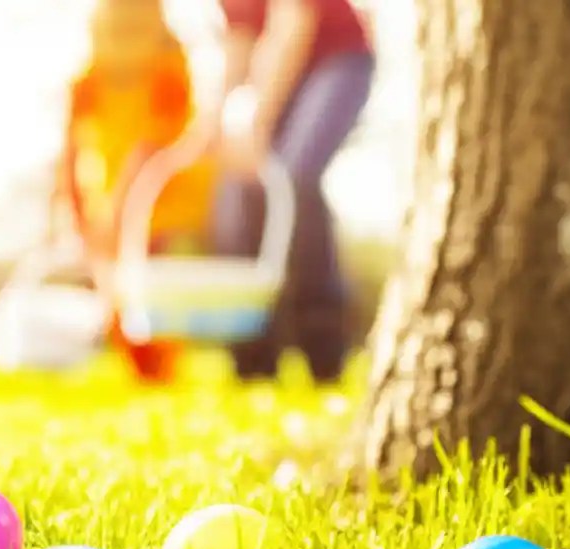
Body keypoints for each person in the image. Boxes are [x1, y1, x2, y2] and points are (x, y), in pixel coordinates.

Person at [188, 0, 374, 384]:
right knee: (238, 192)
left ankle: (324, 351)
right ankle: (253, 357)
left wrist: (258, 120)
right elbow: (240, 40)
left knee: (295, 180)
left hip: (336, 61)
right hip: (275, 66)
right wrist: (212, 121)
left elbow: (292, 24)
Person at [56, 0, 215, 383]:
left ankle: (161, 372)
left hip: (164, 203)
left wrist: (116, 209)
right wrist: (75, 212)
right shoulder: (87, 81)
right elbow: (71, 151)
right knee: (118, 299)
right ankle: (146, 376)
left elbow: (151, 145)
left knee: (152, 297)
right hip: (107, 202)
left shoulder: (168, 68)